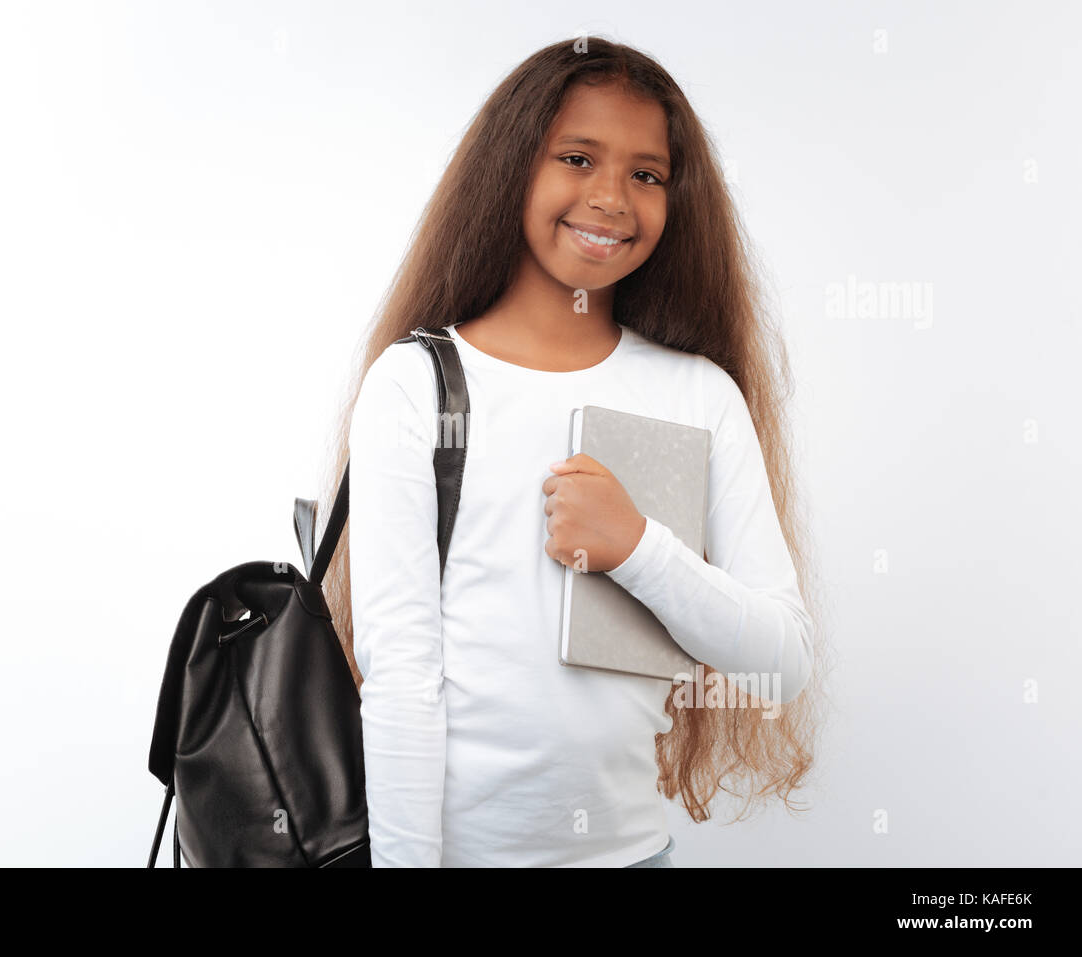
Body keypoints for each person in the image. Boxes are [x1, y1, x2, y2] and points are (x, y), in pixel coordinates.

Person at [318, 37, 827, 868]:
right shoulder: (417, 385)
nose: (611, 198)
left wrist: (636, 548)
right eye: (578, 157)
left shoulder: (698, 396)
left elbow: (782, 659)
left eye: (647, 174)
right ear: (514, 166)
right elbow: (402, 676)